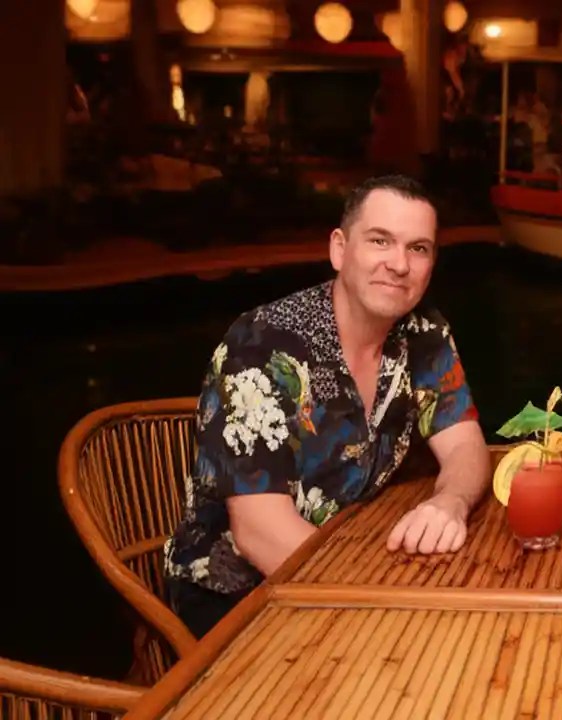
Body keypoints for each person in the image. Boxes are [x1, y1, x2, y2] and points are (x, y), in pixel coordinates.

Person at [164, 175, 490, 637]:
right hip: (237, 593)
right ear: (339, 249)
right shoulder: (261, 345)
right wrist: (378, 596)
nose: (399, 264)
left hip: (350, 562)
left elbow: (466, 447)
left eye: (418, 248)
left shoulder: (424, 335)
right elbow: (259, 531)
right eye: (380, 241)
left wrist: (451, 502)